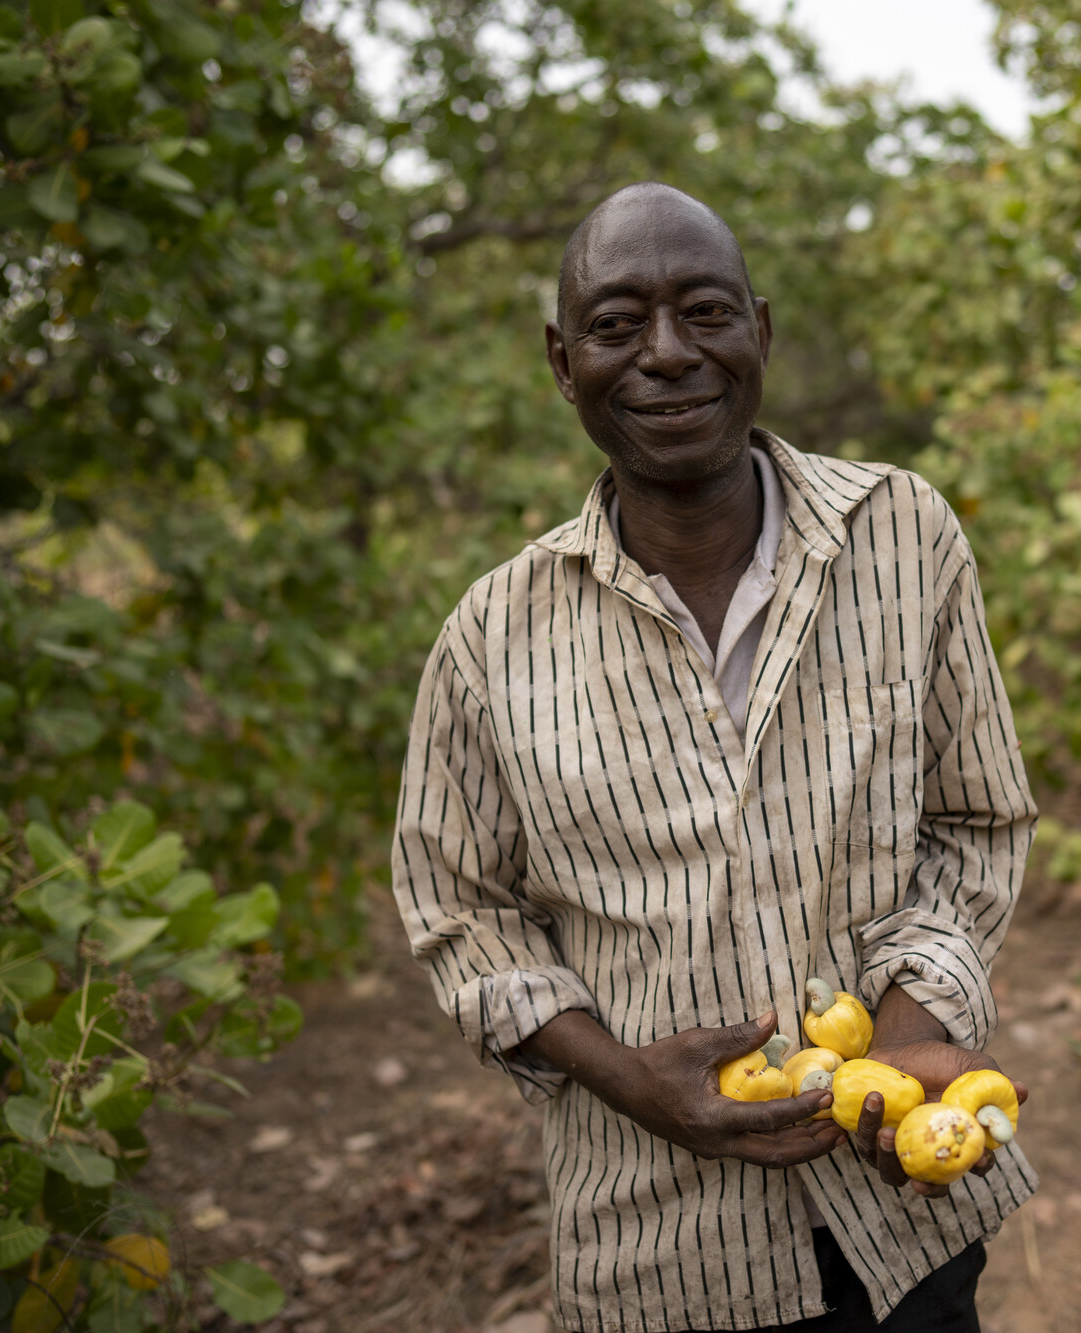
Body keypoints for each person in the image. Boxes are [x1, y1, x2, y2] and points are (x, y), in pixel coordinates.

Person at [391, 181, 1037, 1333]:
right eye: (615, 324)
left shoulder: (903, 534)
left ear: (760, 330)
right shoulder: (490, 634)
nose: (666, 355)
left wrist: (897, 1051)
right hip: (656, 1245)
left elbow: (976, 821)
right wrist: (626, 1078)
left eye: (703, 311)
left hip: (906, 1215)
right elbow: (458, 912)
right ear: (561, 359)